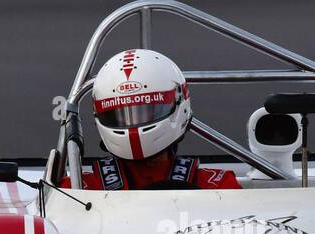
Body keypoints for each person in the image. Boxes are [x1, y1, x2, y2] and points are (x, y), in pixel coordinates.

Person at [67, 48, 240, 190]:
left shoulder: (219, 186)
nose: (133, 125)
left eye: (145, 112)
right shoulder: (75, 190)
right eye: (121, 115)